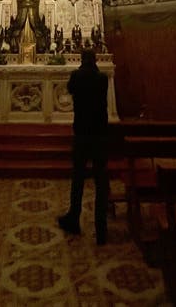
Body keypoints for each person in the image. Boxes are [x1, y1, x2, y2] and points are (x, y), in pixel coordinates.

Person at [58, 48, 109, 245]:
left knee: (78, 178)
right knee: (100, 180)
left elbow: (70, 89)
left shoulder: (76, 76)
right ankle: (101, 227)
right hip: (99, 135)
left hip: (81, 134)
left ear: (81, 59)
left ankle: (74, 218)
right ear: (95, 59)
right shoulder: (102, 79)